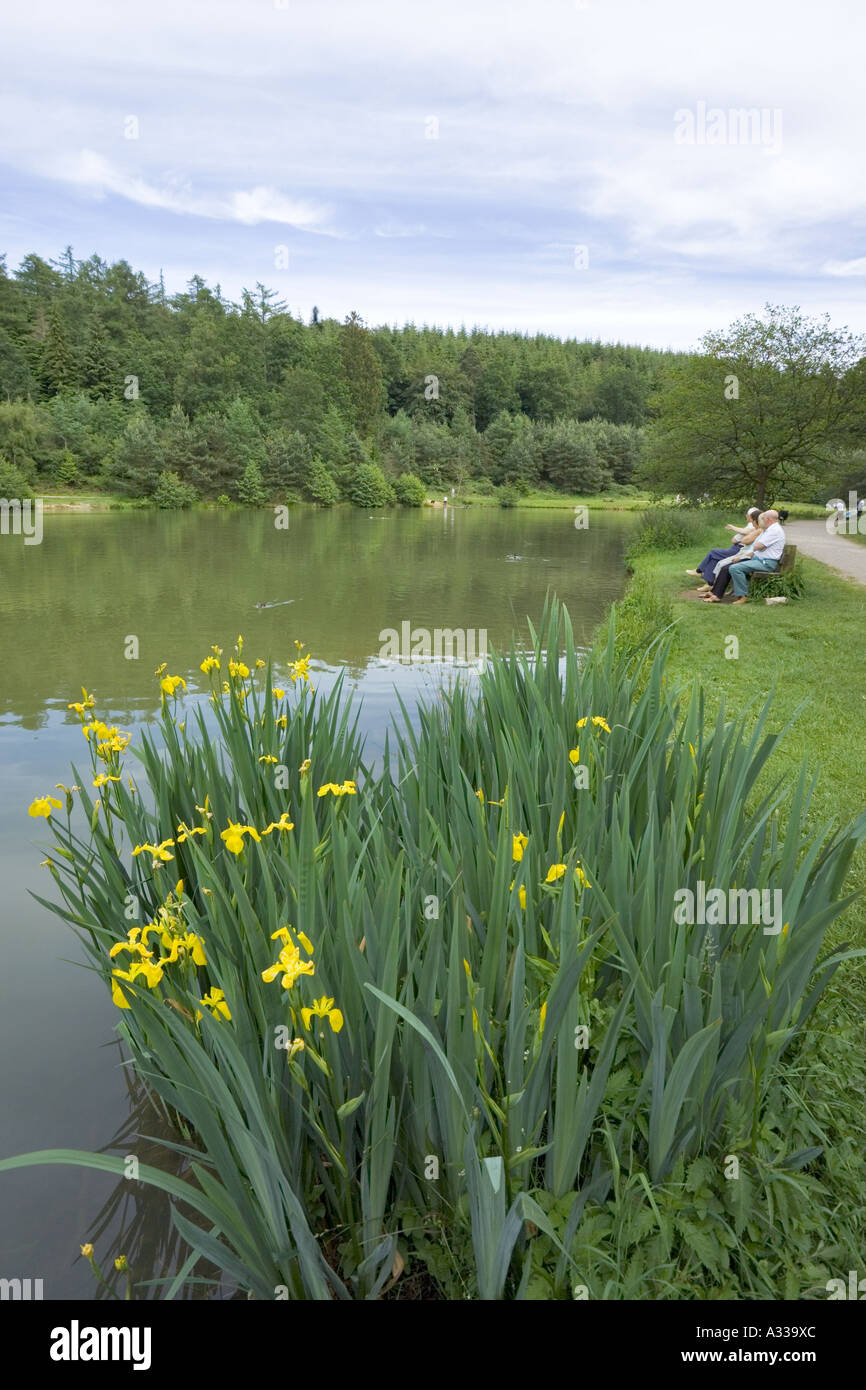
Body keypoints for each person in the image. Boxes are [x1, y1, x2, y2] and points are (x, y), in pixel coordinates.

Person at [704, 510, 787, 604]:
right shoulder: (770, 529)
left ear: (768, 519)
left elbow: (757, 546)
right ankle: (716, 594)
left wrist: (758, 547)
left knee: (735, 568)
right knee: (726, 567)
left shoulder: (774, 530)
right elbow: (757, 547)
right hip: (758, 559)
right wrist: (752, 551)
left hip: (765, 562)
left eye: (763, 518)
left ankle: (743, 596)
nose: (762, 520)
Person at [685, 508, 761, 589]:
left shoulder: (754, 527)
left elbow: (744, 534)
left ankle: (699, 571)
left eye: (748, 515)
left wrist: (732, 527)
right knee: (714, 558)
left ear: (752, 518)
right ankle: (709, 583)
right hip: (737, 548)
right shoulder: (751, 525)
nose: (746, 516)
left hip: (738, 550)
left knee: (713, 552)